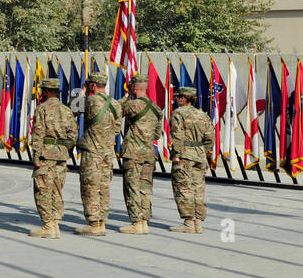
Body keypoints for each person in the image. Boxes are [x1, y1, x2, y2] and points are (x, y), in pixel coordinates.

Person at [74, 72, 123, 236]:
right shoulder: (115, 104)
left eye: (88, 85)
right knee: (103, 187)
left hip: (93, 152)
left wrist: (81, 92)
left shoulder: (90, 101)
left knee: (90, 187)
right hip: (107, 152)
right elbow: (117, 128)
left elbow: (72, 109)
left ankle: (93, 223)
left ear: (93, 85)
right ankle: (101, 222)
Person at [28, 79, 74, 239]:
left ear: (47, 91)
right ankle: (55, 224)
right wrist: (62, 148)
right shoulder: (66, 110)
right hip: (61, 155)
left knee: (42, 190)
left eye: (43, 91)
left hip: (45, 154)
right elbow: (73, 135)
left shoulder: (42, 109)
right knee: (56, 189)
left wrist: (36, 155)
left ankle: (48, 225)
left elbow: (38, 133)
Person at [119, 75, 161, 234]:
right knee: (145, 188)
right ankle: (144, 221)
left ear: (134, 88)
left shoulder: (133, 105)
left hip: (133, 152)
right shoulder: (155, 108)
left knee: (132, 187)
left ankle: (136, 222)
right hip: (148, 153)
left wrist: (125, 97)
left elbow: (115, 109)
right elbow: (157, 134)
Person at [168, 86, 214, 234]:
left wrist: (177, 153)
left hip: (184, 156)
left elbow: (177, 136)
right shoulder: (203, 115)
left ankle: (188, 223)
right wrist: (201, 151)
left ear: (183, 98)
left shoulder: (178, 113)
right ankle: (198, 223)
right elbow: (210, 138)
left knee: (183, 188)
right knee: (198, 189)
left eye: (177, 97)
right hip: (200, 156)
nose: (176, 99)